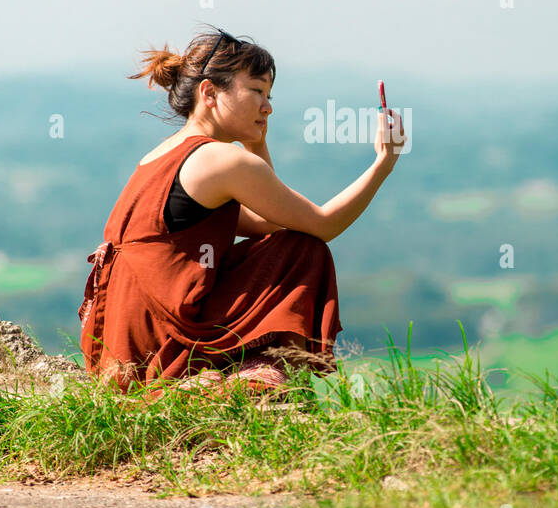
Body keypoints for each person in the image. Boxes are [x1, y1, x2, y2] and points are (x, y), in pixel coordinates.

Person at [78, 26, 406, 401]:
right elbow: (323, 224)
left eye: (269, 95)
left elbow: (268, 222)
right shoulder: (222, 160)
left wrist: (257, 142)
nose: (268, 106)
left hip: (121, 347)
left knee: (285, 245)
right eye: (256, 91)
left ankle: (213, 373)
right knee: (305, 252)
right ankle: (252, 371)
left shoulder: (167, 153)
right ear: (210, 92)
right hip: (161, 340)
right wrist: (384, 163)